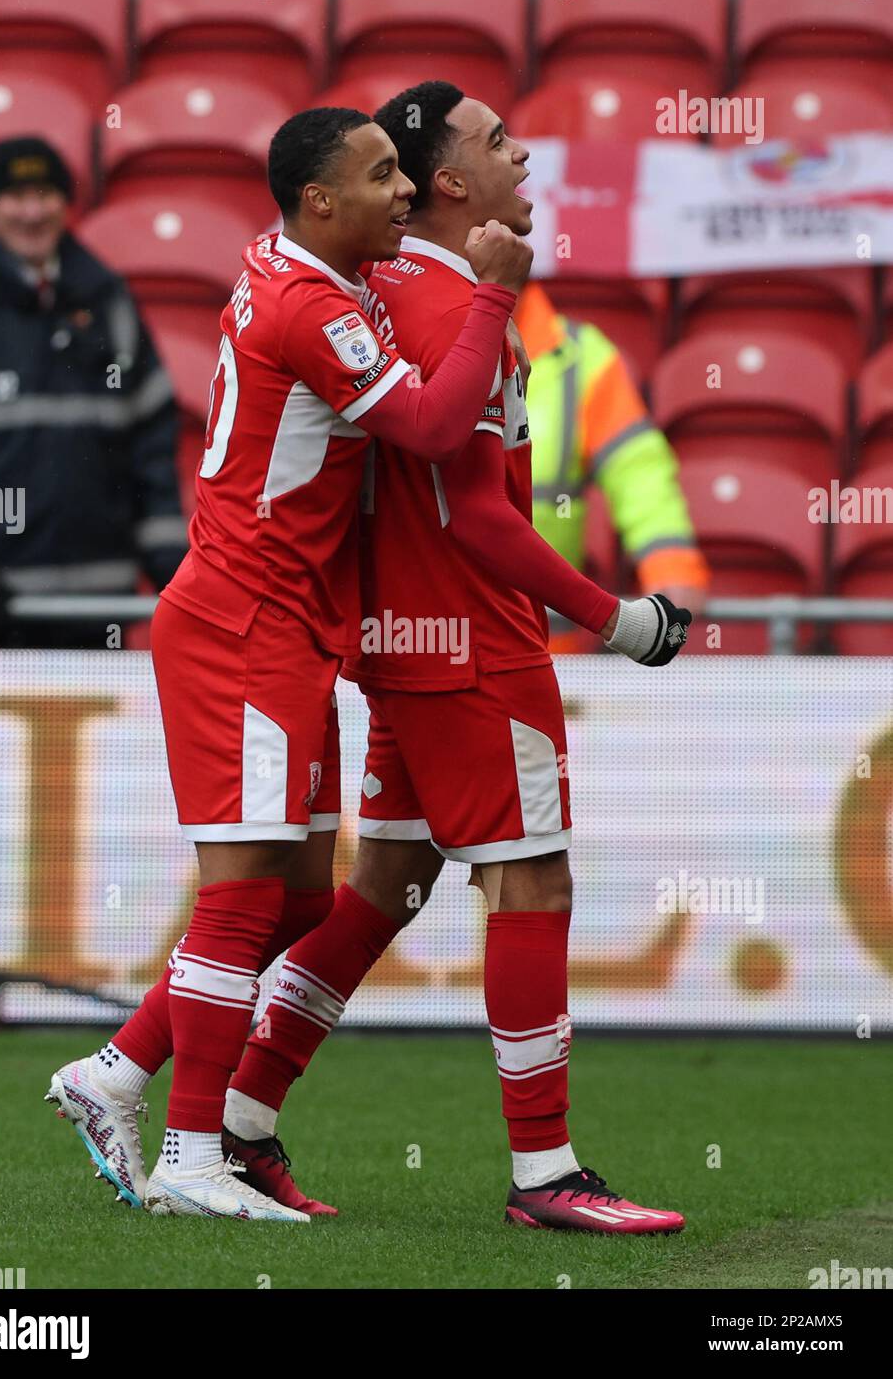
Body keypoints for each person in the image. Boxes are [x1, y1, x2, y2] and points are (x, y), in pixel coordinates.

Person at [216, 83, 690, 1233]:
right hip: (475, 644)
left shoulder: (387, 291)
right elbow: (475, 512)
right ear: (448, 184)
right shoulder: (446, 306)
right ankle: (547, 1173)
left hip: (403, 645)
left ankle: (232, 1115)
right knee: (534, 884)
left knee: (384, 888)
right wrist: (615, 619)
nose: (520, 154)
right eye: (494, 142)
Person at [45, 106, 533, 1221]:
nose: (402, 190)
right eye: (377, 177)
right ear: (320, 201)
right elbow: (428, 428)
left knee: (298, 900)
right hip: (245, 625)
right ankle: (191, 1158)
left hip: (293, 628)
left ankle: (114, 1070)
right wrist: (494, 295)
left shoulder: (298, 268)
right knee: (240, 901)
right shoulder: (314, 304)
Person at [0, 136, 185, 646]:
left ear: (67, 204)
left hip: (102, 611)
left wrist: (175, 572)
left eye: (46, 194)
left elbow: (152, 446)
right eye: (15, 196)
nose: (32, 213)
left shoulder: (110, 299)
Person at [515, 282, 709, 649]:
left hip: (542, 644)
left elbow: (636, 468)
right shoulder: (404, 332)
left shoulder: (583, 356)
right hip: (428, 632)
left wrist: (669, 557)